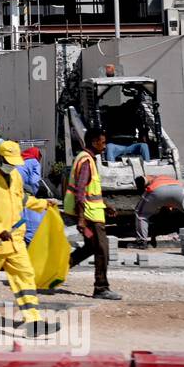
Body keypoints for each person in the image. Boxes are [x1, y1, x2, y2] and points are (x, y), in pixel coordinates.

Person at [0, 141, 53, 336]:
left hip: (15, 239)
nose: (12, 166)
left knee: (25, 276)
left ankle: (33, 321)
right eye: (9, 162)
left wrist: (42, 203)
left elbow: (21, 200)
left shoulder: (15, 175)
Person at [65, 127, 121, 300]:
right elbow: (81, 191)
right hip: (90, 217)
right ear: (93, 142)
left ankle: (58, 269)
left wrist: (106, 205)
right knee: (102, 249)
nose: (104, 146)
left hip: (90, 213)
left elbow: (90, 190)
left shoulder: (85, 159)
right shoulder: (87, 161)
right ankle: (101, 288)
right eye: (102, 142)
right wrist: (81, 219)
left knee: (91, 246)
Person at [133, 174, 184, 248]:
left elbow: (142, 180)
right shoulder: (165, 177)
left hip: (158, 190)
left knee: (141, 214)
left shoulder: (149, 178)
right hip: (179, 190)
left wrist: (142, 191)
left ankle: (141, 242)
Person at [17, 146, 45, 245]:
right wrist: (34, 192)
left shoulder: (18, 160)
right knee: (32, 219)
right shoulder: (34, 162)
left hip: (12, 192)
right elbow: (34, 180)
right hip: (24, 191)